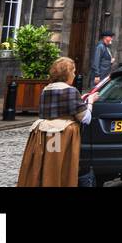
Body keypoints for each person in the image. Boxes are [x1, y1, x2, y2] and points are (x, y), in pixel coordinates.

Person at [17, 56, 99, 187]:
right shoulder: (71, 91)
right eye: (73, 71)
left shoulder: (46, 90)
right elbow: (85, 118)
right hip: (63, 135)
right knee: (62, 166)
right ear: (66, 74)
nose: (74, 74)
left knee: (50, 165)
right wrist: (90, 102)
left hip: (46, 134)